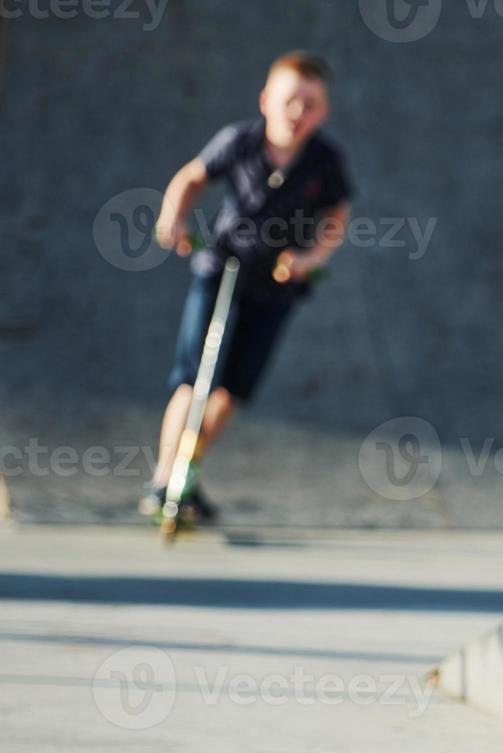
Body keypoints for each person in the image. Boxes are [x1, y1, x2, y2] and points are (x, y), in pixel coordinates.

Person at [140, 50, 352, 521]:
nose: (298, 113)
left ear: (324, 111)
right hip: (222, 268)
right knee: (194, 377)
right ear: (265, 100)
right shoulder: (239, 141)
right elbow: (192, 177)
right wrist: (171, 218)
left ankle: (185, 476)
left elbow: (337, 215)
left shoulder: (325, 160)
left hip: (276, 284)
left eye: (310, 104)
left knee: (232, 390)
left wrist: (309, 258)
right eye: (290, 100)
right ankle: (162, 480)